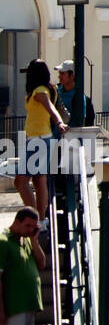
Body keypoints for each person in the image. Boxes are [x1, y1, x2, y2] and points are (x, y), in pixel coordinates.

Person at [15, 60, 67, 229]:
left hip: (38, 140)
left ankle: (36, 219)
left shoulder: (40, 91)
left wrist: (59, 122)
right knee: (39, 180)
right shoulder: (50, 89)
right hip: (43, 139)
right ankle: (41, 220)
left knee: (21, 182)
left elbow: (51, 108)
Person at [0, 207, 45, 325]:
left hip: (30, 303)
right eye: (27, 225)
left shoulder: (27, 240)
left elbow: (41, 264)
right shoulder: (3, 241)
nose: (30, 230)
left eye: (34, 227)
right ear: (16, 222)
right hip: (14, 306)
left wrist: (34, 241)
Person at [55, 60, 95, 127]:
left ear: (72, 76)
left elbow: (87, 123)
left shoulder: (82, 99)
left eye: (62, 73)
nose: (59, 77)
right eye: (59, 73)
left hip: (71, 136)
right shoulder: (55, 91)